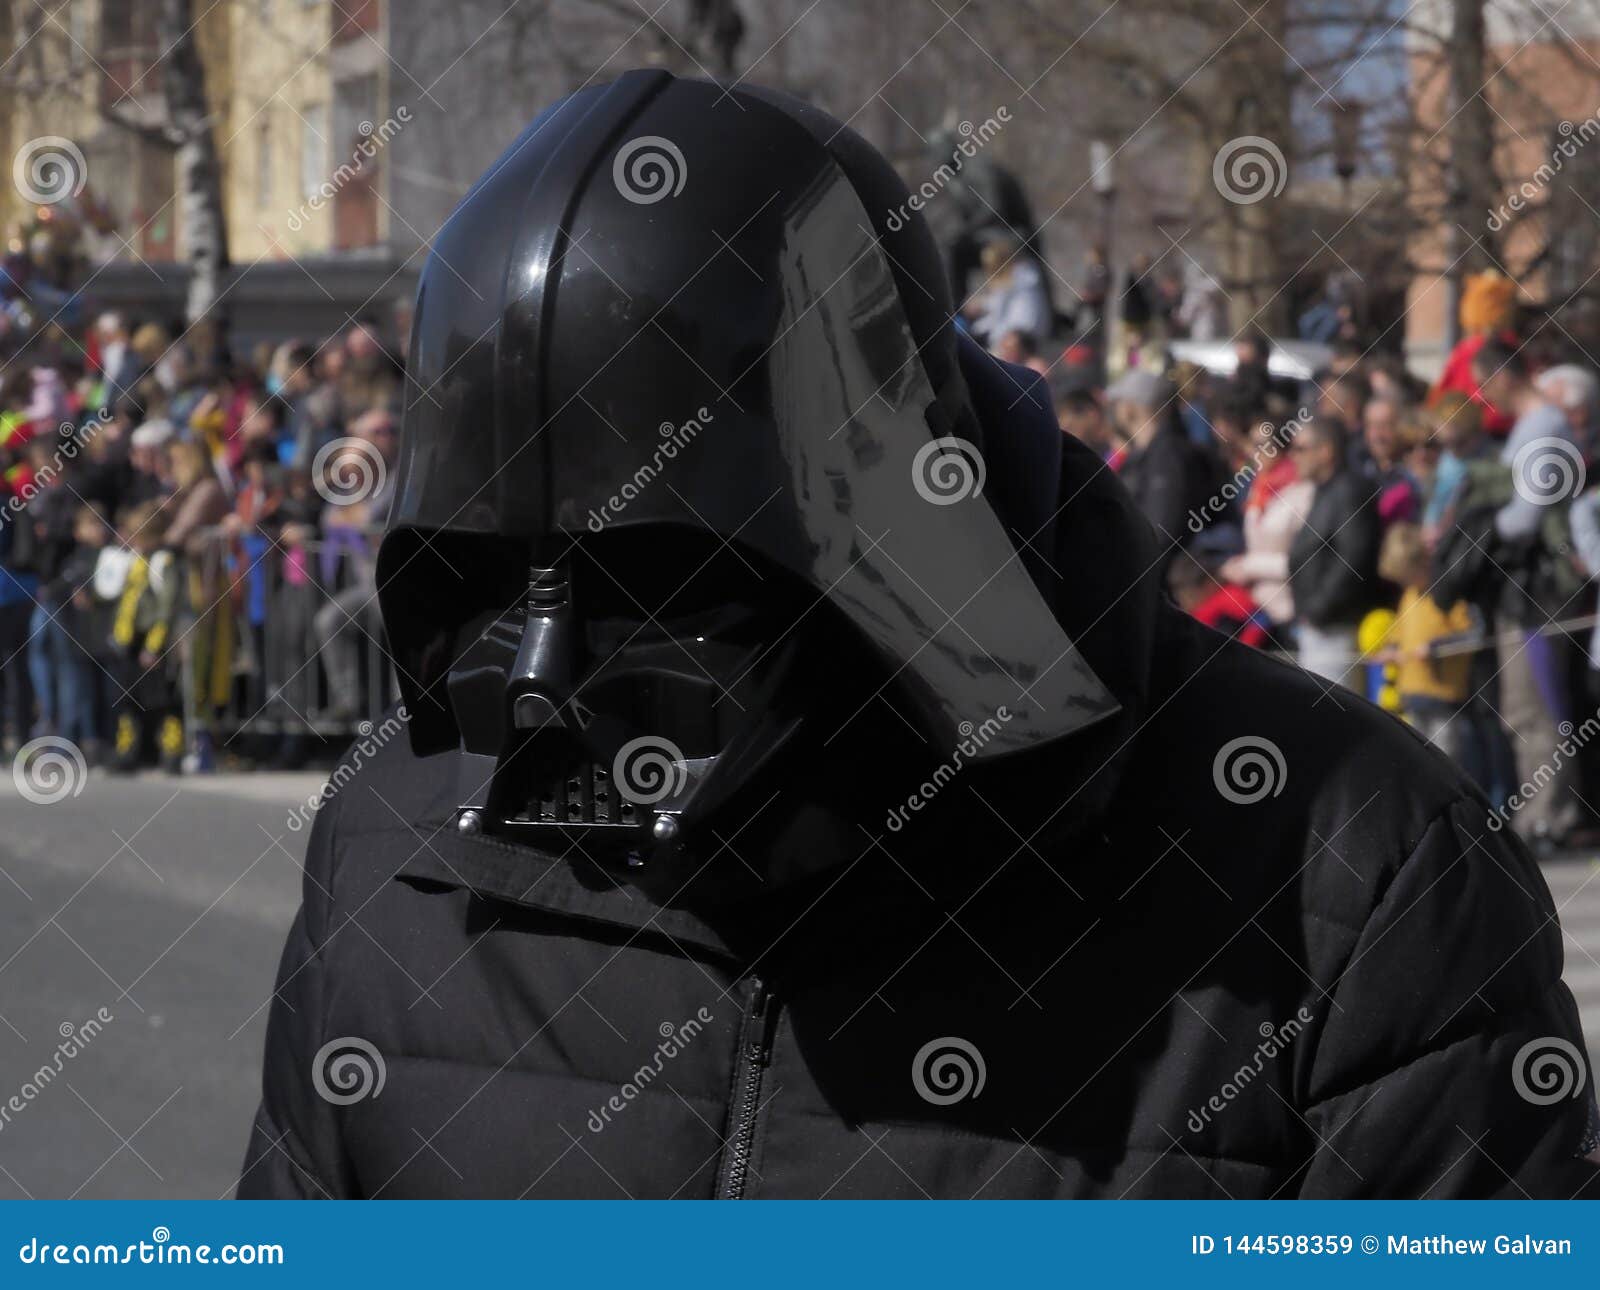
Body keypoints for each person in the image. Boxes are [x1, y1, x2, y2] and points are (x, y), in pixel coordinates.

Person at [240, 71, 1598, 1200]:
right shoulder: (391, 845)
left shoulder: (1353, 880)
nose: (539, 688)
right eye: (475, 588)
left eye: (650, 588)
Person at [1287, 415, 1381, 687]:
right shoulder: (1326, 491)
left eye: (1301, 449)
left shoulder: (1349, 491)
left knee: (1332, 715)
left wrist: (1317, 610)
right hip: (1318, 627)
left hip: (1335, 627)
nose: (1293, 456)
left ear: (1325, 451)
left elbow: (1353, 559)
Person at [1374, 523, 1479, 763]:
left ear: (1421, 563)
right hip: (1412, 696)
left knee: (1447, 758)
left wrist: (1435, 649)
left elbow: (1470, 636)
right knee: (1422, 760)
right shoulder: (1409, 596)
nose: (1406, 584)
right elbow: (1399, 635)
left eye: (1408, 577)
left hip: (1443, 698)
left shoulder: (1445, 594)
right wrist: (1391, 651)